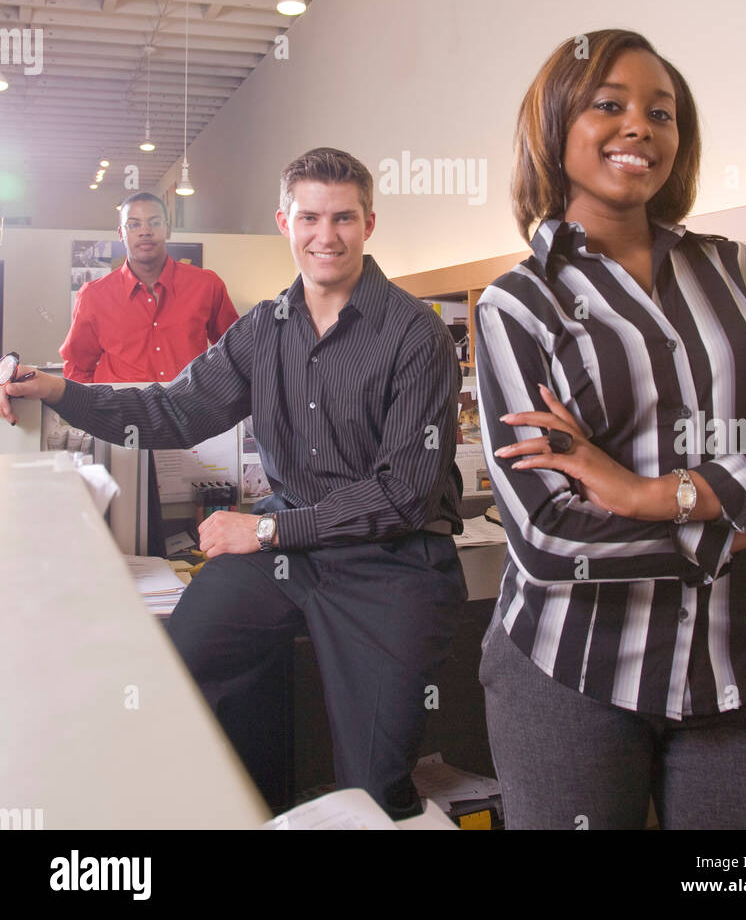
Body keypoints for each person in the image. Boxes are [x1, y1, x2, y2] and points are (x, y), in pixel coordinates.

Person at [474, 29, 746, 831]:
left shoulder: (741, 273)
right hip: (569, 672)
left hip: (738, 674)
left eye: (663, 112)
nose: (639, 127)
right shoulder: (516, 305)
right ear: (554, 126)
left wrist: (658, 494)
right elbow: (550, 539)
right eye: (608, 105)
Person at [2, 149, 466, 819]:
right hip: (287, 555)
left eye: (343, 218)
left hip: (389, 561)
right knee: (181, 677)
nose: (325, 236)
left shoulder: (414, 334)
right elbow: (174, 408)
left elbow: (404, 493)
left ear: (369, 223)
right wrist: (60, 389)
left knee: (372, 785)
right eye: (309, 217)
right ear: (286, 221)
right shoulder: (263, 330)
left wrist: (270, 528)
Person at [60, 192, 239, 382]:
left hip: (189, 409)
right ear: (122, 233)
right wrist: (92, 410)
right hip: (119, 409)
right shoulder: (94, 296)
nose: (145, 231)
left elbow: (236, 353)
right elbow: (77, 368)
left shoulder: (206, 285)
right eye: (134, 224)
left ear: (167, 230)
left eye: (154, 222)